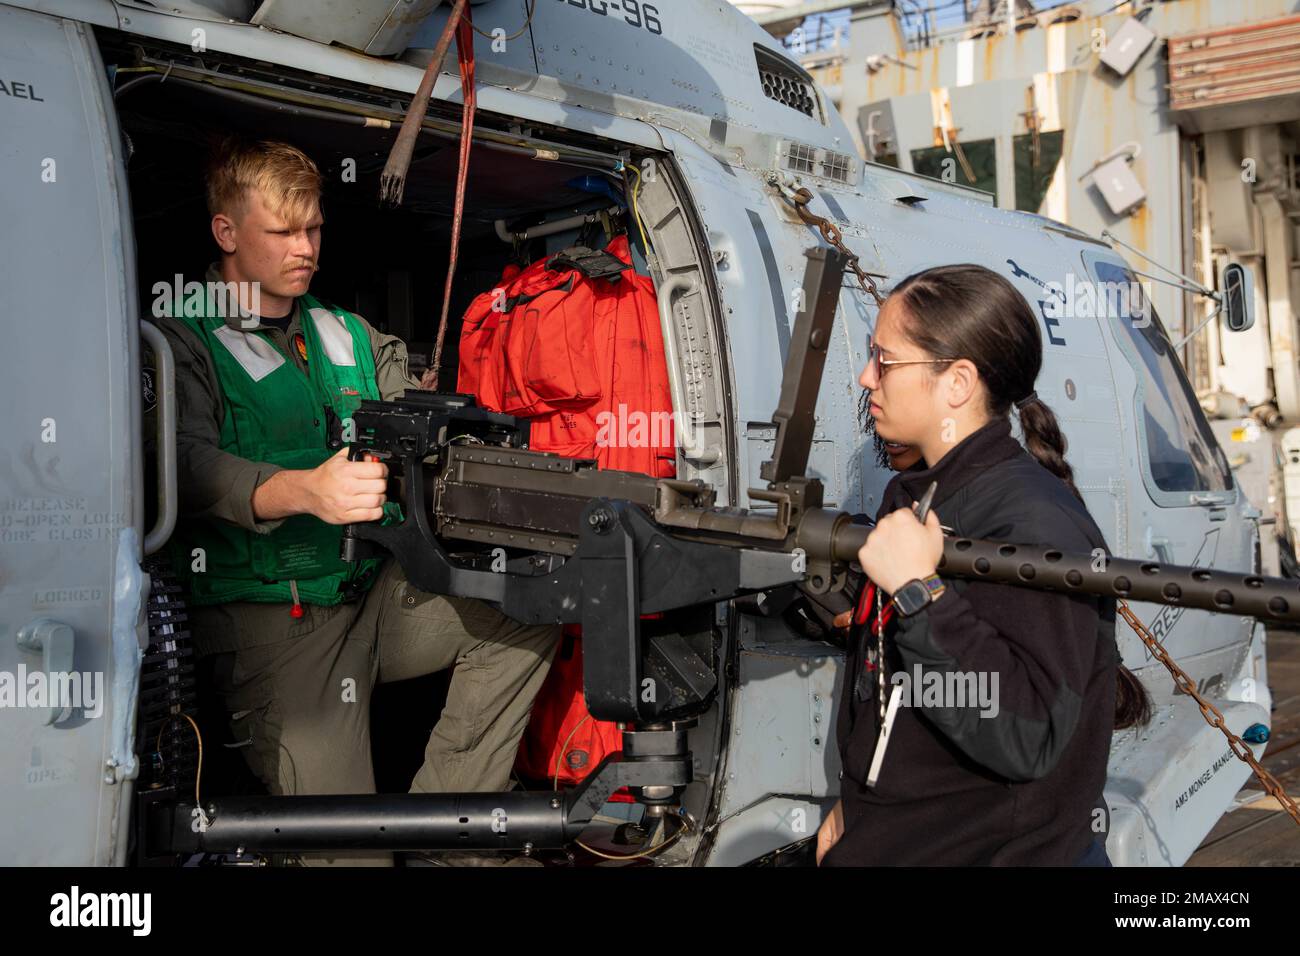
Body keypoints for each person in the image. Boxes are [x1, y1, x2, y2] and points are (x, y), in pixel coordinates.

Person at [158, 138, 559, 865]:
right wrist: (306, 490)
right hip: (273, 627)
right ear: (225, 232)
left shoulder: (343, 331)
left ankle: (449, 837)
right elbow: (184, 465)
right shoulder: (182, 335)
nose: (304, 247)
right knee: (351, 856)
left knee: (526, 610)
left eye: (312, 228)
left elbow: (414, 418)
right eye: (282, 231)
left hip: (368, 598)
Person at [817, 263, 1147, 867]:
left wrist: (920, 593)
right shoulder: (919, 495)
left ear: (958, 383)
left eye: (885, 361)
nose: (868, 378)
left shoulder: (1033, 524)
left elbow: (1026, 730)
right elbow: (899, 691)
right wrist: (861, 805)